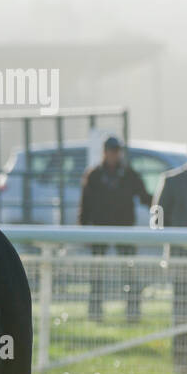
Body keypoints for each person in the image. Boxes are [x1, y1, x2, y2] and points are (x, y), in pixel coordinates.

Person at [79, 136, 153, 323]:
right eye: (112, 151)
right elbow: (85, 206)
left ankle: (133, 314)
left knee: (129, 273)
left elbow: (145, 197)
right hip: (99, 229)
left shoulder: (129, 174)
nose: (114, 154)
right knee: (96, 275)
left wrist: (161, 203)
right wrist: (83, 230)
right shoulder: (94, 174)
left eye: (117, 151)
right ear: (105, 152)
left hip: (124, 229)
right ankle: (95, 315)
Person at [152, 132, 187, 374]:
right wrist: (169, 244)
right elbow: (156, 217)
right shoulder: (173, 180)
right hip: (184, 257)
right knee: (183, 312)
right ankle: (182, 365)